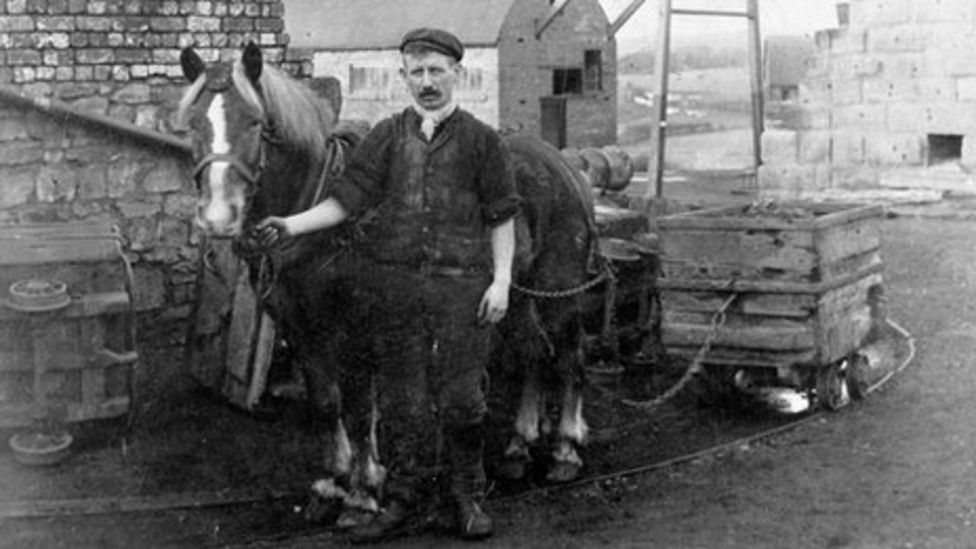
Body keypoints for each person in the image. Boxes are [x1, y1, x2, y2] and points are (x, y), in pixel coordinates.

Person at [257, 27, 520, 542]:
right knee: (404, 404)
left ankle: (465, 498)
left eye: (436, 71)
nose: (427, 82)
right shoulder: (386, 136)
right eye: (417, 72)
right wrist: (291, 225)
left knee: (463, 399)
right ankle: (402, 501)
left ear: (456, 75)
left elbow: (502, 216)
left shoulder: (482, 142)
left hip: (462, 291)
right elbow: (344, 203)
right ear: (404, 77)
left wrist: (503, 281)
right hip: (398, 293)